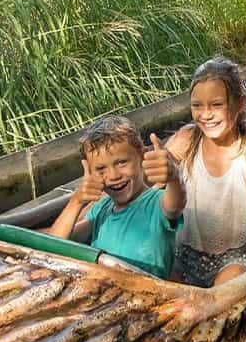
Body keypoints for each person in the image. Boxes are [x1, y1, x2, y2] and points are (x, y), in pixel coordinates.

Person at [165, 58, 246, 286]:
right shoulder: (187, 138)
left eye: (217, 105)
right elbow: (145, 180)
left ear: (240, 104)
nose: (206, 115)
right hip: (184, 256)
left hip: (234, 257)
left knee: (224, 291)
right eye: (197, 106)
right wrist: (155, 168)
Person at [48, 115, 185, 278]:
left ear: (142, 156)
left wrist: (174, 177)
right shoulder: (101, 210)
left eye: (121, 163)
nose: (113, 176)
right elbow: (53, 247)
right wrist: (76, 202)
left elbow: (176, 203)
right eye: (101, 169)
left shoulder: (156, 203)